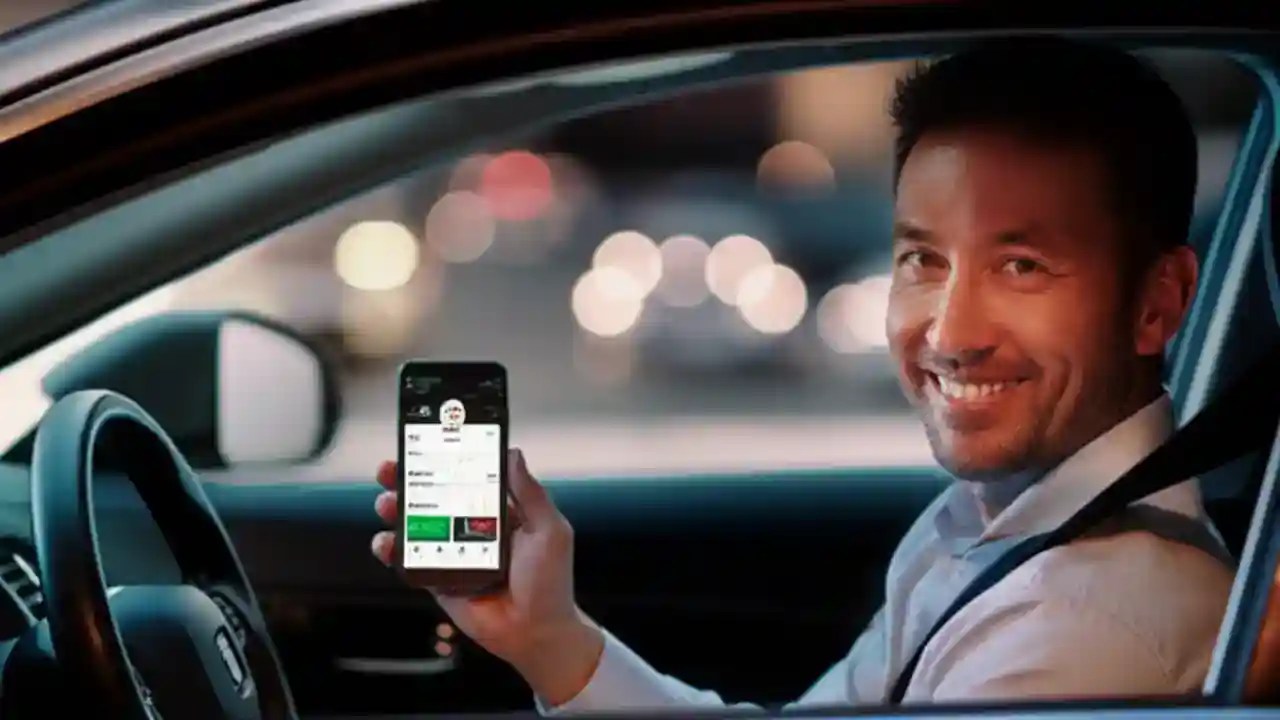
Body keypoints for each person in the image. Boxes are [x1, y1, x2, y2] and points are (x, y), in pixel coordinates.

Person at [370, 36, 1234, 709]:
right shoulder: (1007, 526)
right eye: (923, 262)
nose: (951, 331)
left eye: (1022, 268)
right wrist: (549, 637)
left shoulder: (1080, 624)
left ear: (1158, 303)